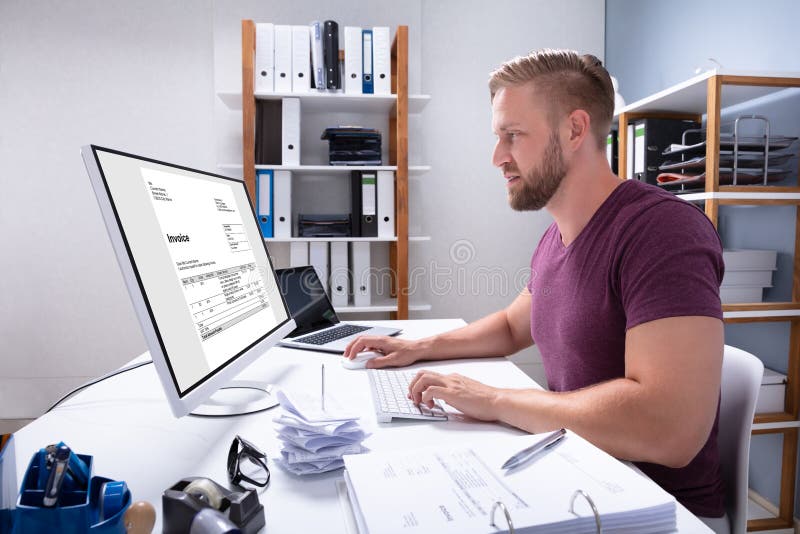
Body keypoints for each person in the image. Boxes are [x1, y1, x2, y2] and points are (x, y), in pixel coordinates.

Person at [344, 49, 728, 530]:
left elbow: (670, 428)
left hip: (656, 509)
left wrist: (496, 401)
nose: (497, 157)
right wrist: (418, 348)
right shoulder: (558, 234)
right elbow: (511, 326)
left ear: (574, 130)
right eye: (498, 136)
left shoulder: (662, 231)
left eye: (513, 135)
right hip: (577, 472)